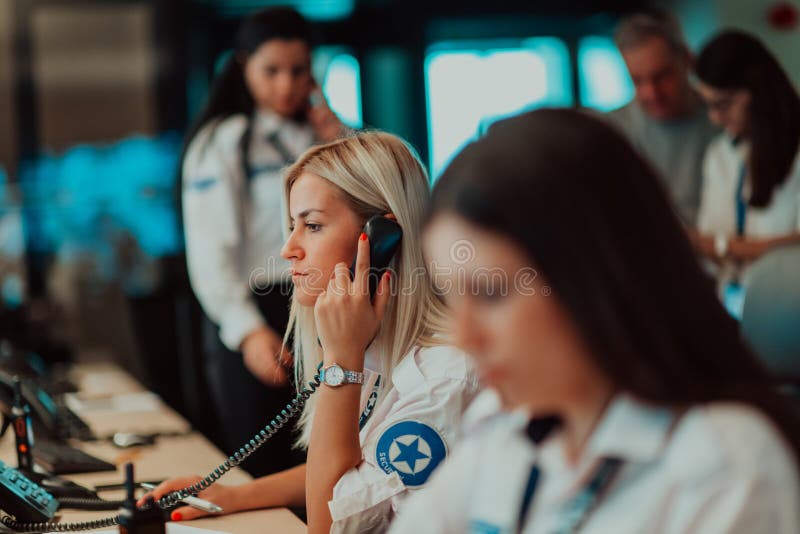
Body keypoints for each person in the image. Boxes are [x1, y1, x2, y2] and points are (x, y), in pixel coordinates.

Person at [390, 109, 800, 533]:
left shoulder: (728, 468)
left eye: (491, 294)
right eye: (453, 298)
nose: (463, 336)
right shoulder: (503, 425)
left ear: (594, 276)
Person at [145, 132, 479, 533]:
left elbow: (327, 525)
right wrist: (232, 495)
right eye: (290, 226)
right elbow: (359, 470)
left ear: (382, 240)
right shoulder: (379, 346)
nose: (288, 249)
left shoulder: (444, 379)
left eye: (313, 226)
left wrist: (341, 363)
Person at [181, 7, 345, 476]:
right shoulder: (225, 142)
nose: (287, 85)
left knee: (328, 457)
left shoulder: (327, 135)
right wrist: (246, 330)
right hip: (257, 308)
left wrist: (338, 143)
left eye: (299, 71)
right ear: (243, 67)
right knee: (263, 465)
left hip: (322, 305)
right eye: (271, 71)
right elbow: (211, 250)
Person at [691, 31, 800, 284]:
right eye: (708, 104)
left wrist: (721, 246)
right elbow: (709, 246)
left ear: (759, 90)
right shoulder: (719, 153)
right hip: (734, 302)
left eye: (724, 104)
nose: (715, 118)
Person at [607, 8, 718, 226]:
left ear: (688, 60)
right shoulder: (613, 132)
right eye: (637, 81)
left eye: (662, 76)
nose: (652, 93)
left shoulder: (723, 119)